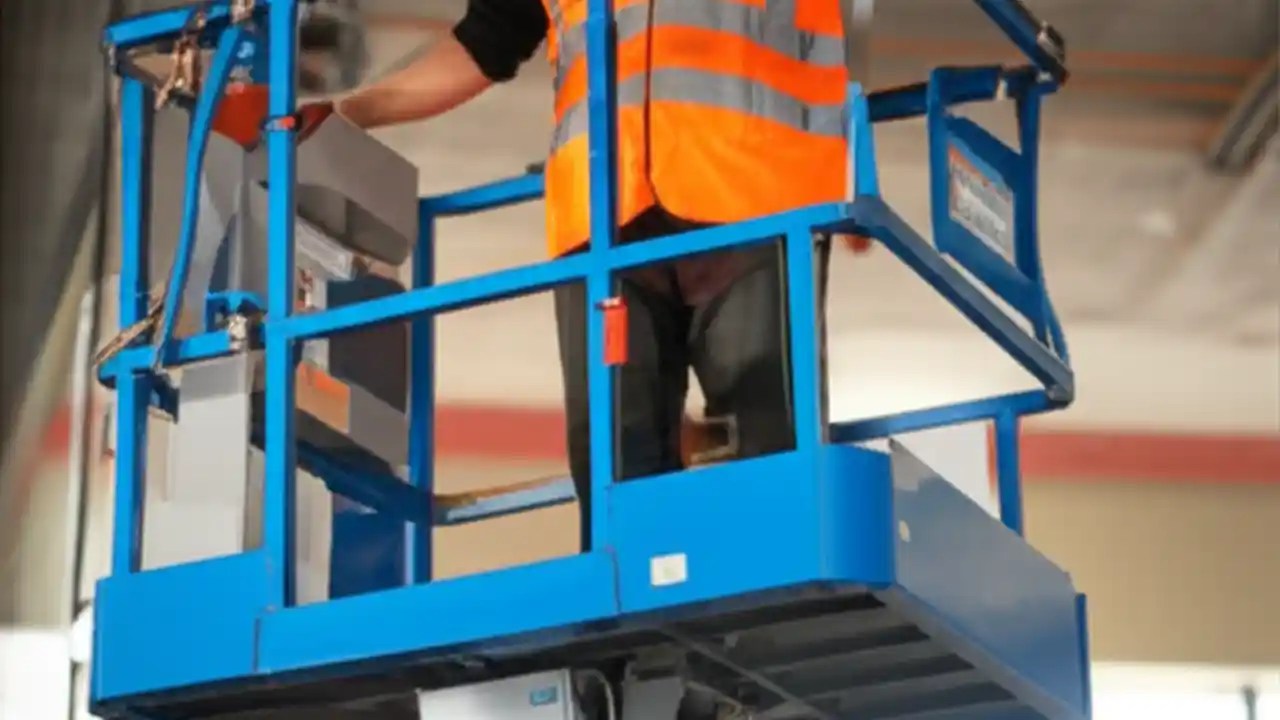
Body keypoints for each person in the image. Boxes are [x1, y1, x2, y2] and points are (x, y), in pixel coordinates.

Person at [326, 1, 859, 716]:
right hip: (606, 221)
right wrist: (356, 110)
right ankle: (636, 683)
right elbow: (489, 39)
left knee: (769, 460)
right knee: (616, 474)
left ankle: (765, 681)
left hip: (757, 200)